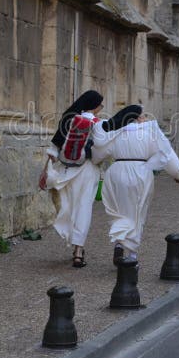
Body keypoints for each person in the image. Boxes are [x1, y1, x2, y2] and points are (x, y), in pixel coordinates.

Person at [91, 105, 179, 265]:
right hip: (140, 172)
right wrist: (178, 174)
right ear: (138, 118)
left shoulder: (115, 133)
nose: (145, 119)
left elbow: (98, 154)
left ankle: (119, 243)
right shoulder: (149, 132)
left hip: (117, 173)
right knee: (137, 212)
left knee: (119, 211)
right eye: (143, 116)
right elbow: (166, 153)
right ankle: (132, 254)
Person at [45, 90, 104, 268]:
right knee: (84, 207)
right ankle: (78, 251)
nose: (101, 108)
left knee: (68, 206)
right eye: (100, 105)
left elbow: (54, 146)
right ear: (94, 106)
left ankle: (68, 234)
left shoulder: (69, 118)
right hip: (87, 170)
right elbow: (102, 150)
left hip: (66, 170)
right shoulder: (98, 124)